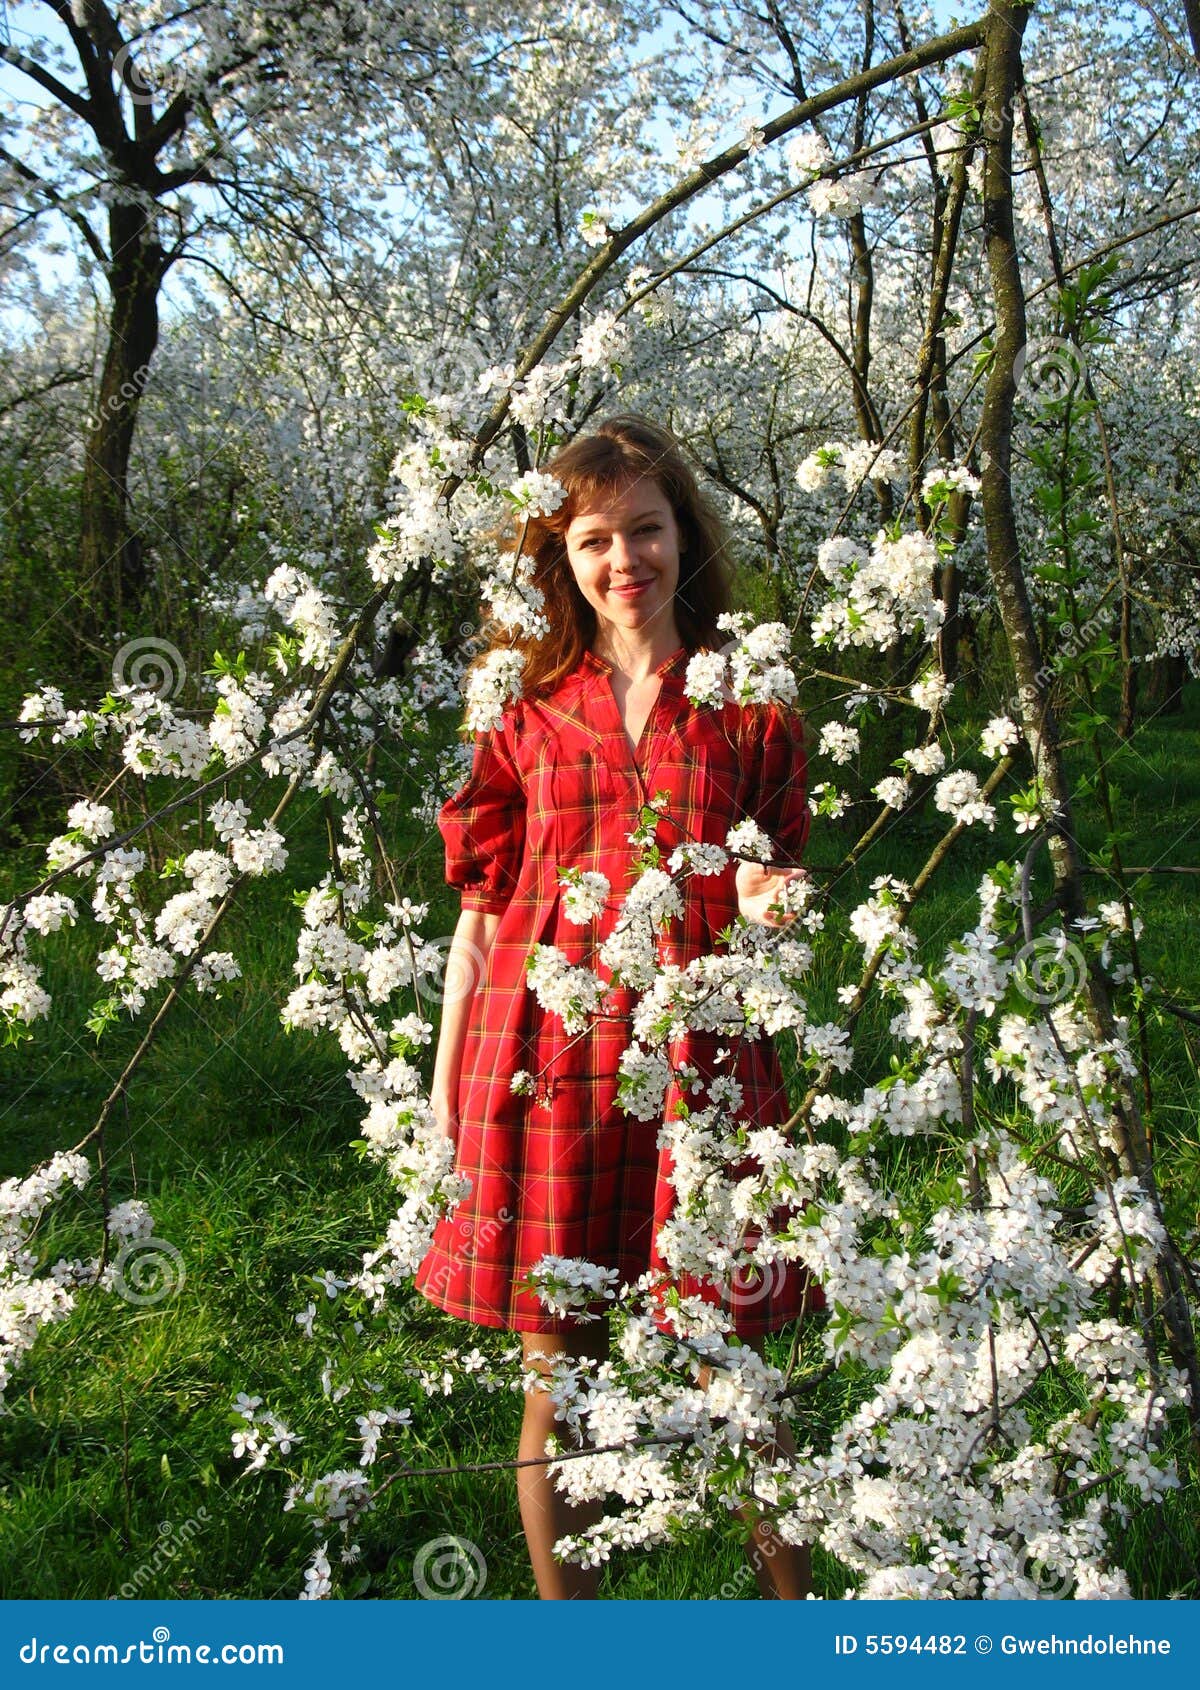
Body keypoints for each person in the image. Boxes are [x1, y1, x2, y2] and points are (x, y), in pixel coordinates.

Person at [414, 414, 820, 1599]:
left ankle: (797, 1629)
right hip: (546, 1063)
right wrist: (447, 1086)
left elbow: (776, 869)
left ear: (684, 537)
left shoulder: (749, 700)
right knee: (562, 1371)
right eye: (595, 538)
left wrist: (765, 894)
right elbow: (484, 910)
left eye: (646, 530)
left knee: (733, 1368)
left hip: (702, 1057)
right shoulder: (525, 706)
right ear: (563, 554)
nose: (623, 561)